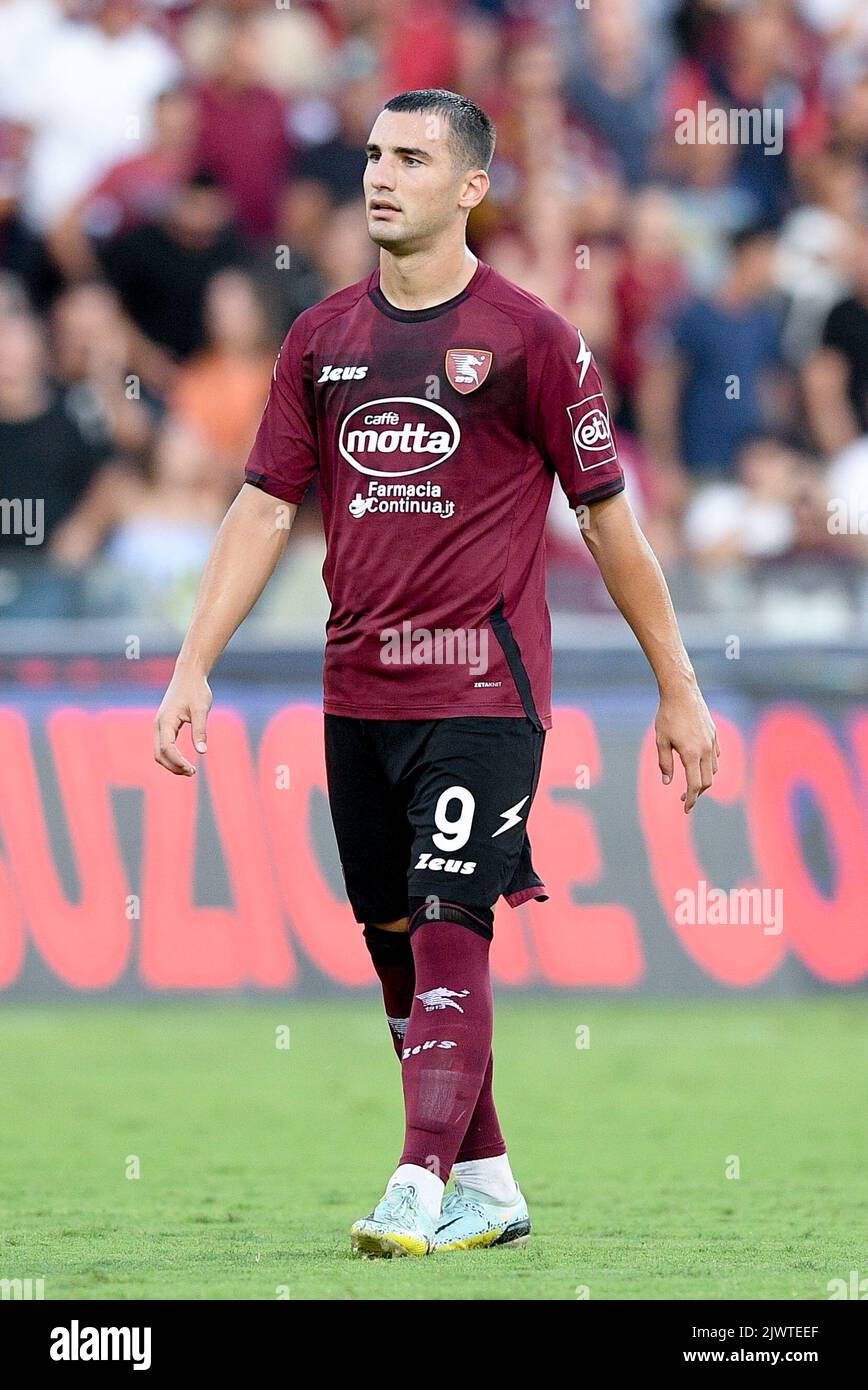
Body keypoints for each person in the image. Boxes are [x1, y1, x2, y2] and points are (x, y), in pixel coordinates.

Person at [154, 89, 719, 1259]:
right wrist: (191, 666)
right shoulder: (320, 340)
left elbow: (612, 526)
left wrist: (679, 686)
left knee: (455, 917)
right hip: (358, 690)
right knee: (398, 946)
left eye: (410, 158)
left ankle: (415, 1181)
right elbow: (263, 508)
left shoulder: (531, 341)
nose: (379, 175)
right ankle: (492, 1181)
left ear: (470, 187)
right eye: (371, 154)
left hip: (484, 689)